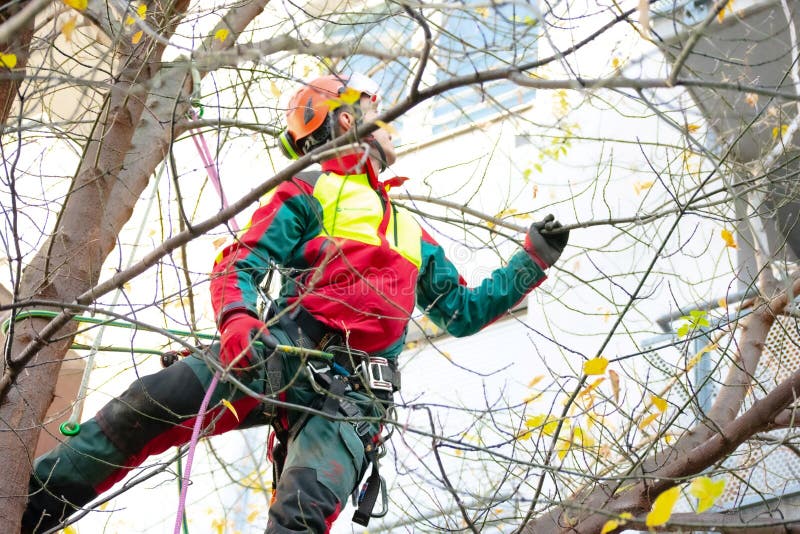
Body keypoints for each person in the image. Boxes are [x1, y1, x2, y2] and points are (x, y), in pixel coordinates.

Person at [22, 72, 569, 533]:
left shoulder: (408, 231)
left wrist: (532, 260)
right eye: (377, 112)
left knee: (300, 515)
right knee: (144, 406)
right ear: (349, 121)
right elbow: (244, 259)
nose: (389, 123)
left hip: (355, 396)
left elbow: (461, 311)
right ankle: (25, 509)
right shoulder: (311, 190)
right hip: (283, 351)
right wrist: (238, 320)